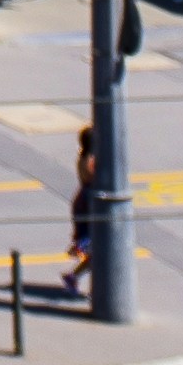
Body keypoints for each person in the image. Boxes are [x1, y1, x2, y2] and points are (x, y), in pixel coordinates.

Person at [51, 124, 108, 301]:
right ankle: (82, 281)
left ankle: (76, 278)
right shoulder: (90, 161)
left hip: (83, 201)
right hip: (89, 204)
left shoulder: (83, 156)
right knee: (98, 248)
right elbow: (95, 178)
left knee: (96, 251)